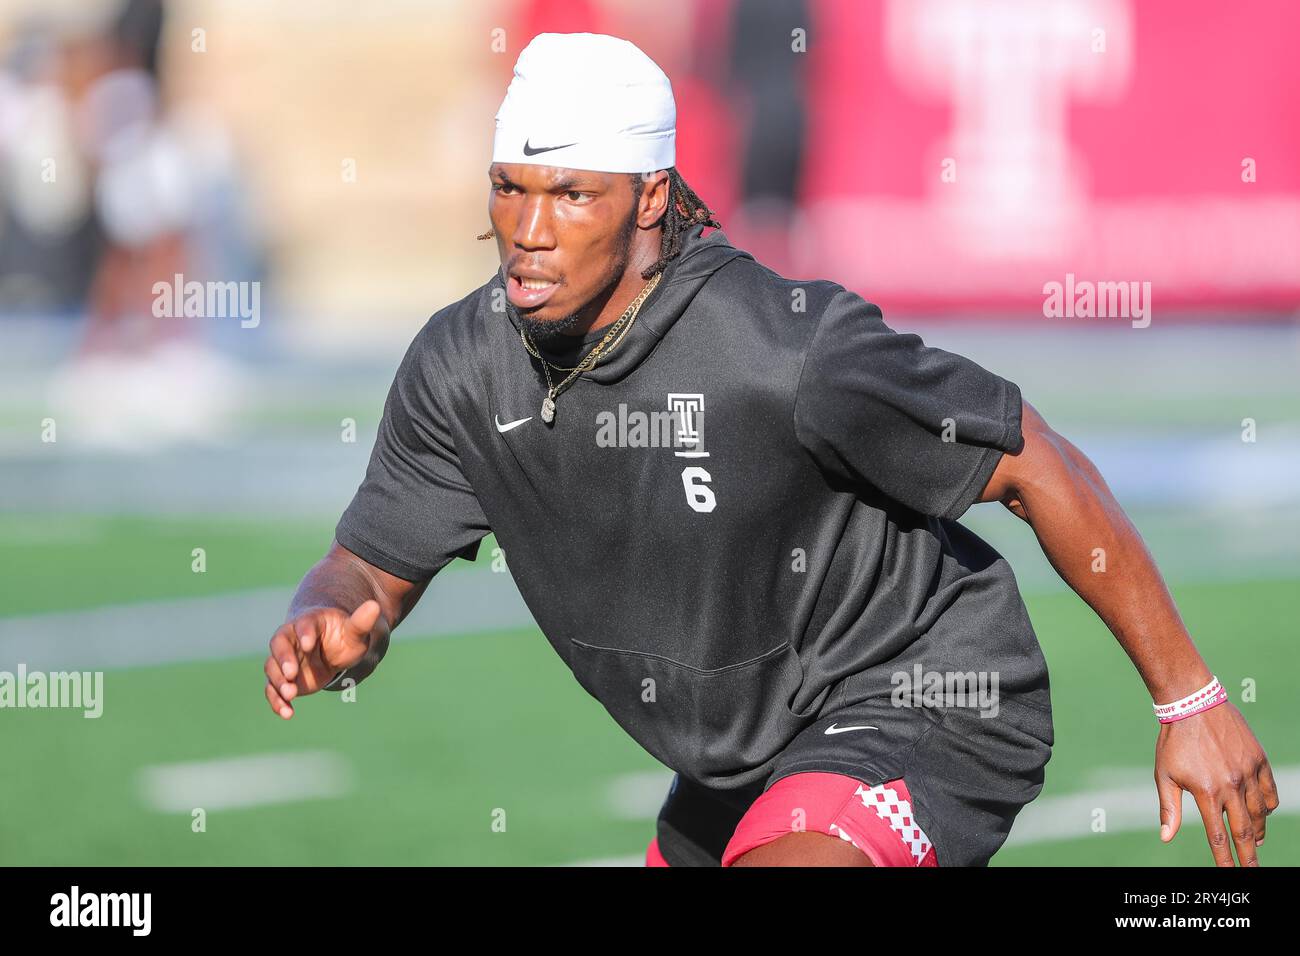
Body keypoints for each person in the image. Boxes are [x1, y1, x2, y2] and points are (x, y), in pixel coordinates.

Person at [263, 32, 1278, 867]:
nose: (528, 228)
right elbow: (371, 566)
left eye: (571, 194)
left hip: (917, 690)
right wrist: (329, 612)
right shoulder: (460, 365)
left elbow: (1028, 457)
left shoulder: (783, 345)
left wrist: (1187, 695)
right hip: (739, 749)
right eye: (509, 188)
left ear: (650, 198)